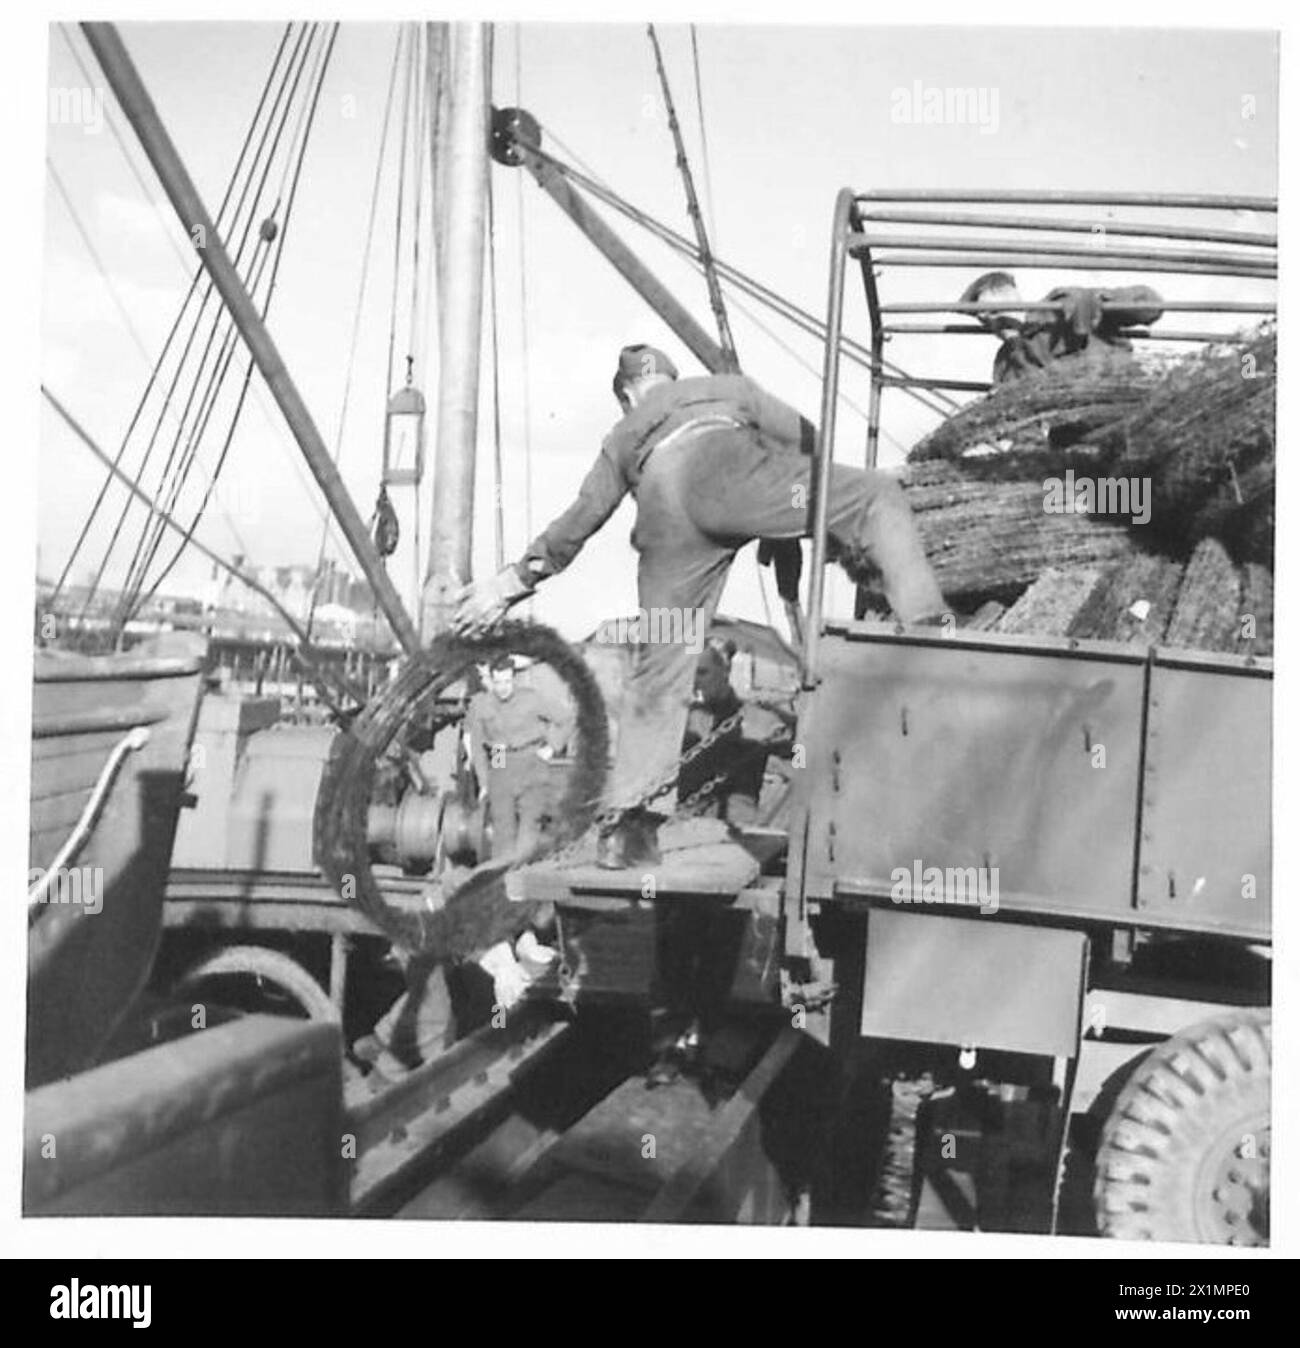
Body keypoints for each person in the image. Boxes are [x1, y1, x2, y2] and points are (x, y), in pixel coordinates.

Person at [453, 344, 946, 868]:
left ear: (628, 393)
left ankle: (628, 831)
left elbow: (582, 518)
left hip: (669, 523)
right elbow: (808, 438)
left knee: (661, 669)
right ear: (671, 377)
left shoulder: (624, 432)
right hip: (729, 474)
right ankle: (934, 638)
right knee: (874, 497)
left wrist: (510, 583)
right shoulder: (727, 388)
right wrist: (789, 519)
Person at [959, 271, 1164, 385]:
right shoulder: (1007, 363)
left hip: (1124, 402)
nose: (993, 324)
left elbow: (1151, 305)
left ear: (1010, 294)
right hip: (1072, 439)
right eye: (984, 321)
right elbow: (1020, 427)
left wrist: (1100, 301)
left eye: (994, 312)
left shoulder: (1061, 306)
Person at [464, 653, 571, 862]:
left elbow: (567, 718)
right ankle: (501, 882)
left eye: (507, 681)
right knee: (502, 830)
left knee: (529, 827)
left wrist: (552, 747)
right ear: (491, 681)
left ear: (513, 679)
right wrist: (485, 782)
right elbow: (477, 747)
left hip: (531, 760)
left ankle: (522, 878)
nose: (503, 687)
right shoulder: (481, 705)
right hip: (500, 758)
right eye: (498, 682)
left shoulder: (532, 698)